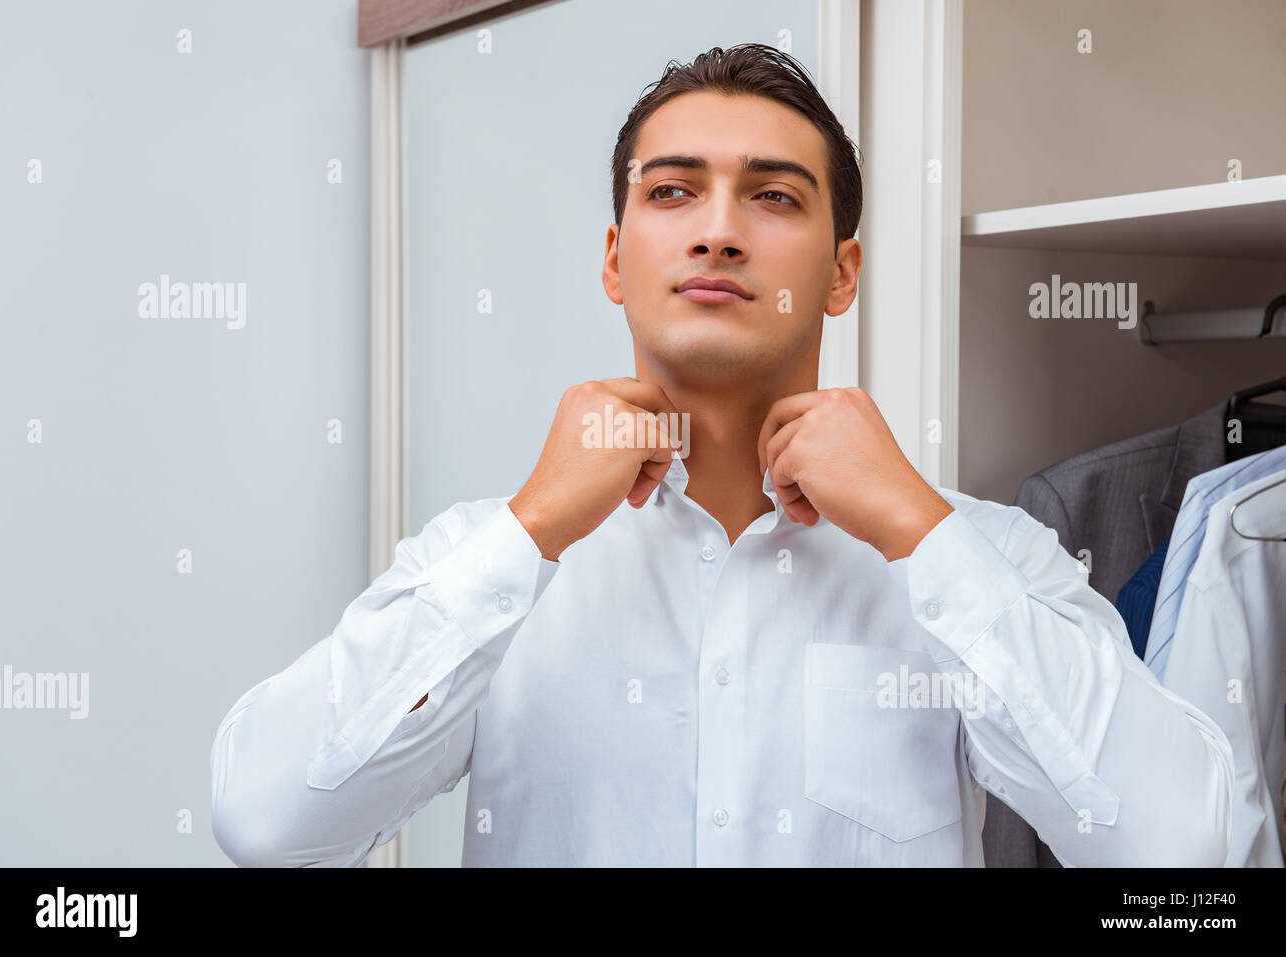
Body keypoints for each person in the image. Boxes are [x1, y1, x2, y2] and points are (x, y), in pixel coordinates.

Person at [210, 43, 1232, 867]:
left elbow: (1182, 847)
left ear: (841, 274)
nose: (718, 233)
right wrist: (529, 534)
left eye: (773, 197)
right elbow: (266, 821)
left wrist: (921, 534)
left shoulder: (988, 559)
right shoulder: (481, 562)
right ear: (616, 261)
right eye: (670, 194)